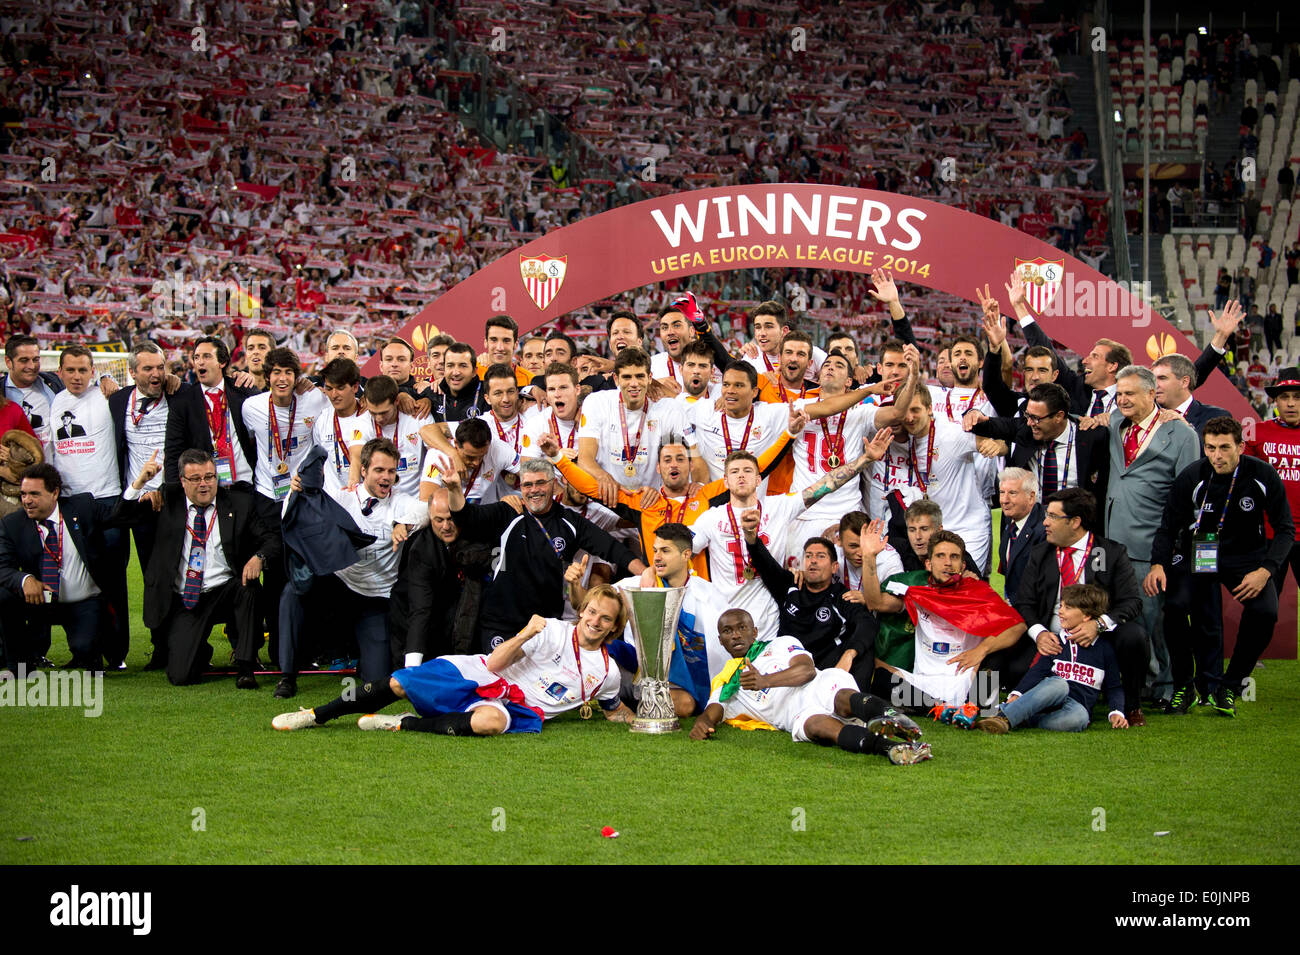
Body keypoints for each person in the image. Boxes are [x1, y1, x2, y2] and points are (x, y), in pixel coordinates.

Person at [272, 585, 637, 734]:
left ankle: (402, 724)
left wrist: (653, 719)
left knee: (488, 724)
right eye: (591, 611)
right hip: (483, 673)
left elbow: (614, 710)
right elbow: (495, 665)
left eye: (605, 618)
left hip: (515, 706)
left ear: (613, 627)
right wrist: (526, 633)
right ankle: (317, 715)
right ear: (583, 609)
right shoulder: (553, 629)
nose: (594, 621)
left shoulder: (606, 673)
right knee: (400, 682)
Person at [1146, 417, 1293, 717]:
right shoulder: (1193, 476)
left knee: (1266, 612)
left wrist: (1265, 570)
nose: (1217, 455)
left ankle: (1230, 686)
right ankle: (1184, 685)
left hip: (1248, 556)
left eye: (1225, 447)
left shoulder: (1262, 475)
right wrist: (1158, 564)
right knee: (1175, 606)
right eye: (1210, 448)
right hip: (1203, 548)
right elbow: (1168, 526)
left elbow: (1285, 529)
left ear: (1240, 446)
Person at [690, 434, 893, 643]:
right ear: (725, 481)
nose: (741, 476)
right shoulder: (710, 518)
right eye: (734, 472)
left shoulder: (779, 506)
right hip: (725, 618)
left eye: (748, 470)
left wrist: (865, 459)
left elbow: (825, 485)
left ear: (759, 479)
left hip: (769, 620)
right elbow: (682, 547)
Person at [276, 438, 428, 697]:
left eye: (392, 471)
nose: (386, 477)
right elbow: (291, 516)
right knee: (293, 591)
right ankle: (287, 676)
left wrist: (405, 524)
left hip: (376, 598)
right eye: (380, 470)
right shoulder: (341, 498)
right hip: (338, 588)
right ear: (365, 470)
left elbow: (426, 510)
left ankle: (361, 660)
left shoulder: (402, 503)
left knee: (375, 681)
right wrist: (294, 492)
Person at [443, 456, 645, 651]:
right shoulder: (508, 511)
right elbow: (466, 517)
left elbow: (612, 548)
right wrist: (453, 489)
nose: (533, 490)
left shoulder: (570, 522)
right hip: (501, 623)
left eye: (540, 483)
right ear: (521, 488)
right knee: (498, 681)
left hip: (545, 626)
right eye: (527, 485)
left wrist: (645, 573)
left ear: (553, 483)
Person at [542, 421, 794, 577]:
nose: (674, 464)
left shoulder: (707, 494)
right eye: (667, 460)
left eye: (680, 459)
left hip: (700, 594)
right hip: (658, 593)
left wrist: (789, 434)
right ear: (659, 469)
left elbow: (755, 467)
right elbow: (592, 488)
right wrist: (558, 459)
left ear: (690, 465)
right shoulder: (642, 501)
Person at [687, 608, 932, 766]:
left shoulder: (781, 643)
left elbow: (806, 671)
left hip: (817, 686)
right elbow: (713, 711)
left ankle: (891, 717)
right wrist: (702, 724)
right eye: (727, 631)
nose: (736, 635)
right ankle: (891, 748)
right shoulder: (727, 681)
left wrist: (765, 681)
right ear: (720, 640)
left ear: (755, 631)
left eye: (742, 628)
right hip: (796, 715)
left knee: (842, 698)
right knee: (819, 727)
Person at [120, 449, 277, 687]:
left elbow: (272, 540)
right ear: (182, 482)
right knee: (181, 676)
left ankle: (246, 665)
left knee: (248, 588)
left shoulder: (238, 502)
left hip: (226, 589)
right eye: (195, 479)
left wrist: (258, 557)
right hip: (188, 597)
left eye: (210, 477)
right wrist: (139, 483)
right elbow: (119, 518)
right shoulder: (166, 501)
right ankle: (199, 650)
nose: (204, 484)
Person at [1092, 364, 1199, 704]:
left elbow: (1188, 499)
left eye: (1129, 394)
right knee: (1115, 617)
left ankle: (1164, 687)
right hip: (1110, 543)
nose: (1122, 400)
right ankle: (1131, 681)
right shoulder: (1112, 424)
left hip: (1151, 544)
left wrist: (1166, 556)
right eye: (1119, 394)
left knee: (1153, 620)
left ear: (1152, 395)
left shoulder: (1182, 434)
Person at [1012, 488, 1150, 725]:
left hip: (1097, 638)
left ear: (1075, 522)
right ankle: (1002, 702)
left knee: (1134, 636)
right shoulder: (1040, 553)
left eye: (1053, 517)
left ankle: (1131, 705)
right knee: (1014, 668)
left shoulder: (1110, 552)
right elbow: (1024, 602)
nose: (1044, 522)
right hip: (1052, 637)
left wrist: (1098, 625)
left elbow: (1132, 602)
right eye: (1046, 515)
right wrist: (1039, 633)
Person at [871, 531, 1027, 728]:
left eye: (954, 557)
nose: (947, 563)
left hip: (966, 679)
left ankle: (969, 708)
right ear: (928, 564)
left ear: (962, 566)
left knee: (995, 655)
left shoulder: (978, 592)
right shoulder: (917, 594)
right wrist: (869, 558)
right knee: (878, 676)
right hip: (924, 683)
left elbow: (1017, 625)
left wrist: (981, 650)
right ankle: (939, 708)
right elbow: (875, 601)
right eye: (940, 556)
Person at [49, 345, 129, 666]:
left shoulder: (108, 398)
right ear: (60, 372)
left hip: (107, 499)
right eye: (71, 370)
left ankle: (117, 653)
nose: (77, 376)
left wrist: (110, 379)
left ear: (93, 371)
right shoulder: (56, 402)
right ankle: (86, 651)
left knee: (112, 580)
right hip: (70, 507)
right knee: (78, 581)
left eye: (84, 370)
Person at [0, 463, 117, 673]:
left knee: (85, 650)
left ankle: (93, 647)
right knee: (3, 595)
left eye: (34, 494)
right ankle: (18, 664)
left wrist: (138, 487)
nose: (26, 500)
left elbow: (119, 515)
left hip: (83, 601)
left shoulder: (81, 507)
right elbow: (1, 567)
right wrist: (24, 579)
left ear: (54, 493)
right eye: (24, 494)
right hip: (40, 602)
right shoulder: (12, 524)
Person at [743, 513, 876, 689]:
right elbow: (767, 566)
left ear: (834, 567)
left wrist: (849, 654)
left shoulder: (842, 597)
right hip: (786, 669)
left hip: (822, 673)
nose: (813, 561)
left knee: (864, 652)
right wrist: (752, 538)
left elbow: (868, 624)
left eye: (821, 556)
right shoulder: (791, 585)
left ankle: (855, 702)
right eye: (809, 556)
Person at [976, 584, 1129, 734]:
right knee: (1059, 684)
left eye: (1067, 608)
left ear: (1086, 616)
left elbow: (1114, 686)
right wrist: (1018, 693)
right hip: (1049, 699)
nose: (1060, 612)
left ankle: (1016, 718)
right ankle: (1004, 715)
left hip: (1076, 706)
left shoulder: (1104, 648)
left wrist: (1116, 712)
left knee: (1080, 718)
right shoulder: (1055, 641)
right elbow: (1037, 672)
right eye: (1060, 606)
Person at [107, 343, 176, 667]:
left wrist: (165, 486)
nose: (155, 374)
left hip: (173, 498)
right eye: (147, 368)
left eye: (159, 367)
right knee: (150, 575)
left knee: (177, 571)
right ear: (132, 372)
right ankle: (160, 645)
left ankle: (182, 640)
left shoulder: (178, 396)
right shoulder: (119, 401)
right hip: (139, 503)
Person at [615, 523, 728, 717]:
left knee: (686, 706)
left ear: (686, 555)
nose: (657, 557)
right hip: (634, 672)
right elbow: (594, 604)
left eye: (665, 551)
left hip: (680, 681)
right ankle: (614, 698)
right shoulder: (638, 584)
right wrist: (576, 585)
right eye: (655, 550)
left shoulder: (710, 595)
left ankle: (634, 702)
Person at [967, 382, 1109, 510]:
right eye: (1028, 415)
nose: (1029, 422)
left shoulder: (1091, 437)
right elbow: (989, 425)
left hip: (1073, 521)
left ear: (1059, 416)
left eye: (1036, 418)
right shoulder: (1026, 429)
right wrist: (973, 414)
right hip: (1035, 524)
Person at [577, 347, 687, 497]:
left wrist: (665, 492)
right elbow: (585, 459)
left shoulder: (667, 409)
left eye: (640, 376)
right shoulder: (596, 403)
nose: (634, 383)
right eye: (627, 377)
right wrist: (604, 477)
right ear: (616, 379)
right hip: (609, 501)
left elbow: (682, 460)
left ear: (650, 378)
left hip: (651, 501)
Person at [163, 336, 258, 487]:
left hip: (245, 484)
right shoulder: (182, 402)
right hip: (205, 489)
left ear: (222, 362)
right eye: (196, 357)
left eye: (207, 356)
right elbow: (173, 452)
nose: (200, 362)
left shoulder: (242, 391)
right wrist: (174, 493)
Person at [1244, 365, 1300, 595]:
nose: (1291, 403)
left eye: (1297, 397)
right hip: (1269, 535)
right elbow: (1242, 481)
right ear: (1275, 401)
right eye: (1284, 397)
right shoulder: (1256, 432)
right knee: (1264, 608)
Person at [344, 374, 429, 498]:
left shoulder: (418, 417)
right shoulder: (360, 423)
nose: (379, 418)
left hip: (414, 501)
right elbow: (356, 457)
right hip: (379, 504)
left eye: (384, 412)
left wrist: (426, 500)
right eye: (373, 412)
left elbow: (434, 455)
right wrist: (353, 482)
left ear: (396, 401)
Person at [2, 333, 64, 455]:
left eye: (35, 360)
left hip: (57, 467)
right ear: (8, 362)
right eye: (24, 360)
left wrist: (105, 377)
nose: (32, 366)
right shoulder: (1, 392)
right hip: (19, 470)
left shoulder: (53, 382)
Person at [311, 357, 364, 495]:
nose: (334, 395)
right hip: (333, 503)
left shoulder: (370, 416)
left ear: (355, 387)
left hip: (365, 500)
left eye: (340, 388)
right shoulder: (322, 419)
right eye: (329, 388)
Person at [995, 466, 1045, 606]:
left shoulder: (1044, 531)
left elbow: (1040, 583)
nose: (1004, 500)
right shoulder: (1010, 518)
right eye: (1002, 492)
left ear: (1031, 497)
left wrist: (1012, 603)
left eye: (1012, 493)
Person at [1151, 353, 1228, 435]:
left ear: (1184, 382)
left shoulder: (1216, 417)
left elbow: (1214, 447)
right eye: (1153, 380)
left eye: (1162, 378)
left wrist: (1187, 430)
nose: (1155, 385)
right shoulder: (1147, 415)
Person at [478, 314, 532, 386]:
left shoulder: (530, 380)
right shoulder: (471, 374)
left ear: (515, 344)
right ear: (485, 342)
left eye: (506, 341)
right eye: (494, 340)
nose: (500, 348)